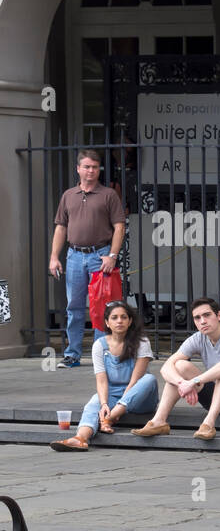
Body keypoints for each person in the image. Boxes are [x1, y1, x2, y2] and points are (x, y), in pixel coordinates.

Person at [130, 297, 220, 440]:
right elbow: (166, 367)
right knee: (180, 366)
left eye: (207, 315)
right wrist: (182, 384)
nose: (202, 321)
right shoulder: (197, 338)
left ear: (218, 316)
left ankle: (208, 424)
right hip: (216, 397)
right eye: (197, 318)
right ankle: (158, 421)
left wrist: (193, 381)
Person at [48, 150, 125, 369]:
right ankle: (72, 354)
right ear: (78, 169)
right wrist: (54, 257)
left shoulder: (108, 195)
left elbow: (120, 226)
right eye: (87, 166)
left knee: (102, 307)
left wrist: (112, 255)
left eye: (94, 167)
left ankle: (102, 354)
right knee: (74, 306)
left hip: (100, 256)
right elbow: (61, 227)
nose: (91, 171)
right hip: (73, 255)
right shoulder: (68, 195)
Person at [50, 300, 157, 451]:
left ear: (130, 321)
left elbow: (136, 380)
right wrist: (104, 404)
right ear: (107, 322)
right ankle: (80, 438)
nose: (119, 321)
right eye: (114, 317)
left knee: (149, 379)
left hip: (140, 397)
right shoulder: (99, 345)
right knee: (94, 402)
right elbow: (101, 380)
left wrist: (116, 409)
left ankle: (108, 418)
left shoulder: (142, 342)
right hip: (114, 393)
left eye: (123, 317)